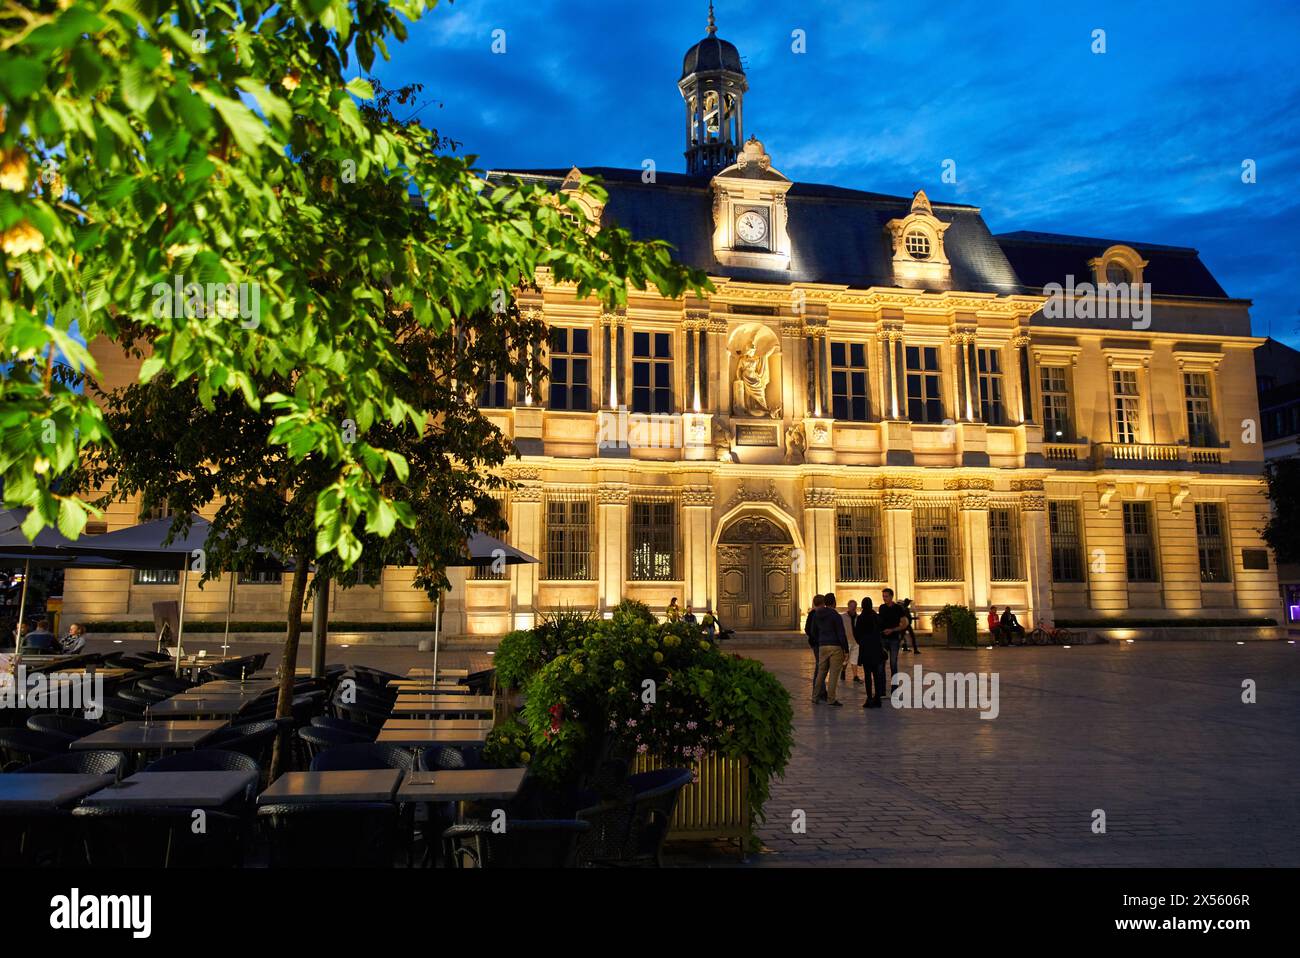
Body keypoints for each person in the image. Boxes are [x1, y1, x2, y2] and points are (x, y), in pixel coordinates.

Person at [811, 592, 849, 707]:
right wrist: (846, 649)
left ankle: (815, 697)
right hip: (835, 646)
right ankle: (831, 699)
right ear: (834, 602)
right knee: (833, 674)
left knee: (821, 672)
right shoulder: (835, 615)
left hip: (822, 646)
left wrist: (820, 641)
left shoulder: (817, 614)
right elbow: (841, 633)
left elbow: (813, 631)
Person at [854, 597, 886, 708]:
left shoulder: (861, 618)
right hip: (876, 648)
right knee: (877, 674)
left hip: (866, 649)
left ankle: (869, 698)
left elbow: (856, 634)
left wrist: (862, 642)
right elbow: (882, 630)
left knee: (867, 675)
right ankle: (877, 697)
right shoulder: (876, 617)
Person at [877, 589, 906, 682]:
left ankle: (894, 687)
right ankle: (882, 689)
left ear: (891, 596)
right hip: (883, 639)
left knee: (893, 664)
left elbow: (904, 624)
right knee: (881, 664)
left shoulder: (898, 608)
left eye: (886, 596)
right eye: (883, 596)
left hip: (894, 639)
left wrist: (892, 630)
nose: (884, 598)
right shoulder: (882, 608)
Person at [805, 595, 826, 701]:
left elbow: (807, 629)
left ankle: (820, 691)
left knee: (820, 666)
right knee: (820, 667)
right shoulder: (817, 613)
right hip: (819, 644)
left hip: (816, 643)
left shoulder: (811, 613)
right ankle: (818, 691)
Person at [842, 598, 861, 683]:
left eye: (854, 606)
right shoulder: (842, 617)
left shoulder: (858, 618)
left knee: (854, 659)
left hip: (856, 642)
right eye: (851, 606)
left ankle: (855, 676)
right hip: (847, 641)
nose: (853, 608)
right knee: (845, 659)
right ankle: (843, 671)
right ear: (848, 606)